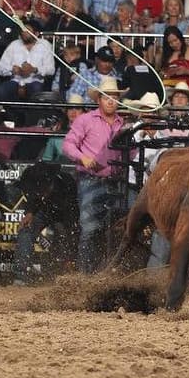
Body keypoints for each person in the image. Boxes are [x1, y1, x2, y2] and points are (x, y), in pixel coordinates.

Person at [61, 74, 128, 272]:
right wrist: (83, 158)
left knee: (114, 230)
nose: (110, 100)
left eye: (114, 96)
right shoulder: (85, 120)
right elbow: (68, 145)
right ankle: (85, 275)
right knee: (90, 228)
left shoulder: (122, 124)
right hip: (90, 179)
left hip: (116, 180)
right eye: (106, 96)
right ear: (98, 99)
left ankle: (107, 272)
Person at [0, 24, 54, 101]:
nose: (24, 33)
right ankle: (11, 112)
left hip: (35, 81)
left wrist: (34, 69)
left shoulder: (45, 45)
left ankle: (32, 113)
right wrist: (12, 69)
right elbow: (0, 68)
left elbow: (51, 70)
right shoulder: (14, 45)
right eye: (23, 30)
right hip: (16, 81)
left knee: (37, 89)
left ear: (36, 33)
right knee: (1, 90)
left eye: (28, 31)